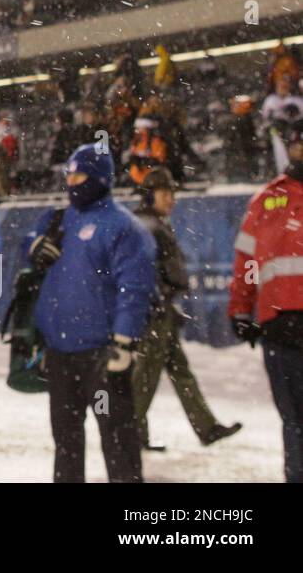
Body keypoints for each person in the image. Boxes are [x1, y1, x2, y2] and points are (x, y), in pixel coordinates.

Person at [28, 143, 155, 482]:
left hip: (101, 357)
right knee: (66, 443)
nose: (72, 181)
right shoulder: (59, 220)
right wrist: (34, 245)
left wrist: (124, 341)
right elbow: (33, 244)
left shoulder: (121, 225)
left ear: (99, 177)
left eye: (79, 173)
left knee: (116, 439)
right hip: (61, 355)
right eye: (68, 174)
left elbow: (135, 287)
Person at [129, 168, 240, 451]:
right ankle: (128, 434)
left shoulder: (151, 223)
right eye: (166, 194)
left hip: (160, 310)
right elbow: (144, 273)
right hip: (155, 313)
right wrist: (158, 301)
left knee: (179, 370)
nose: (171, 200)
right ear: (151, 195)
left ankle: (206, 427)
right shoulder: (148, 226)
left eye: (172, 194)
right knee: (146, 376)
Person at [229, 114, 303, 482]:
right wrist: (241, 309)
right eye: (297, 142)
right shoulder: (267, 200)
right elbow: (248, 262)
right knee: (294, 424)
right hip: (281, 334)